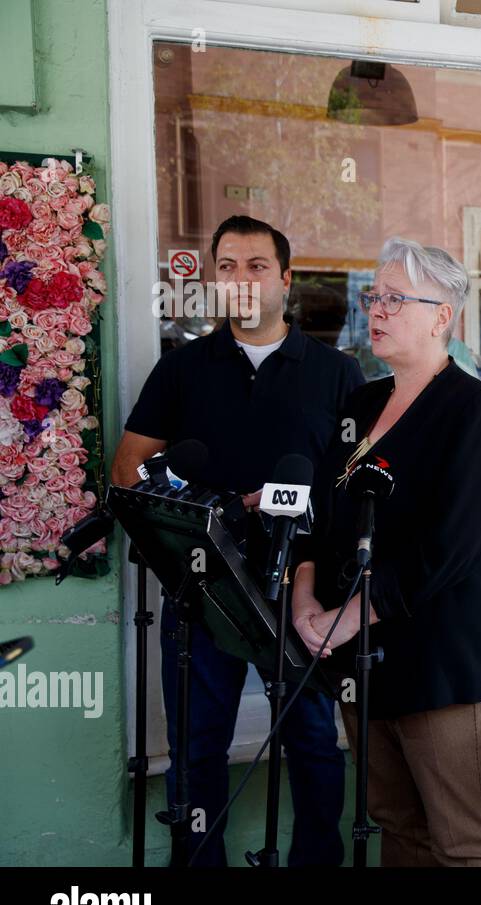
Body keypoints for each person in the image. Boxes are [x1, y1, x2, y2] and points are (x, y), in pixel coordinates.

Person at [112, 215, 363, 866]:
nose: (242, 279)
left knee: (311, 738)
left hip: (297, 591)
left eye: (257, 266)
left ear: (285, 279)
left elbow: (354, 487)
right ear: (213, 282)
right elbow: (127, 472)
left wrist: (316, 566)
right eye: (227, 266)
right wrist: (215, 508)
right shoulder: (181, 370)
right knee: (197, 748)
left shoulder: (338, 374)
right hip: (202, 589)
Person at [292, 238, 481, 867]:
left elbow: (453, 549)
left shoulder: (474, 411)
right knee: (397, 825)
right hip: (360, 661)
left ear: (443, 316)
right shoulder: (360, 403)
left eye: (395, 299)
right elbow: (321, 515)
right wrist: (308, 597)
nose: (376, 311)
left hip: (439, 661)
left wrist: (349, 617)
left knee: (462, 842)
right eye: (374, 297)